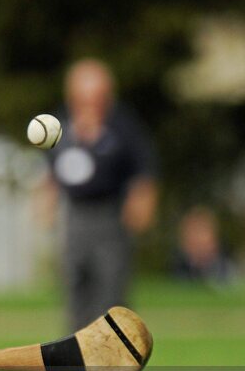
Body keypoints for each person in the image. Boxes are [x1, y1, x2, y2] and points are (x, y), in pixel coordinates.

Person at [39, 58, 159, 331]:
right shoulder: (61, 126)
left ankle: (115, 354)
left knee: (111, 291)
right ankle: (76, 352)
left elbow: (143, 171)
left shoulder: (123, 125)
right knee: (75, 287)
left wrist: (141, 207)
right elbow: (50, 171)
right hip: (75, 216)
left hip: (110, 215)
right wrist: (46, 206)